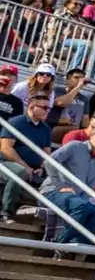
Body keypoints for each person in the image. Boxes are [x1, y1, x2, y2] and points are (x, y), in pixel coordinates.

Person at [0, 92, 60, 220]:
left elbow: (46, 153)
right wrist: (25, 166)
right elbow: (5, 148)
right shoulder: (16, 122)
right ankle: (7, 213)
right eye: (44, 108)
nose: (48, 111)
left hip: (35, 169)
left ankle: (45, 221)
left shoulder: (46, 128)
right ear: (32, 107)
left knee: (58, 178)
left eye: (49, 108)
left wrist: (42, 168)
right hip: (6, 164)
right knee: (20, 172)